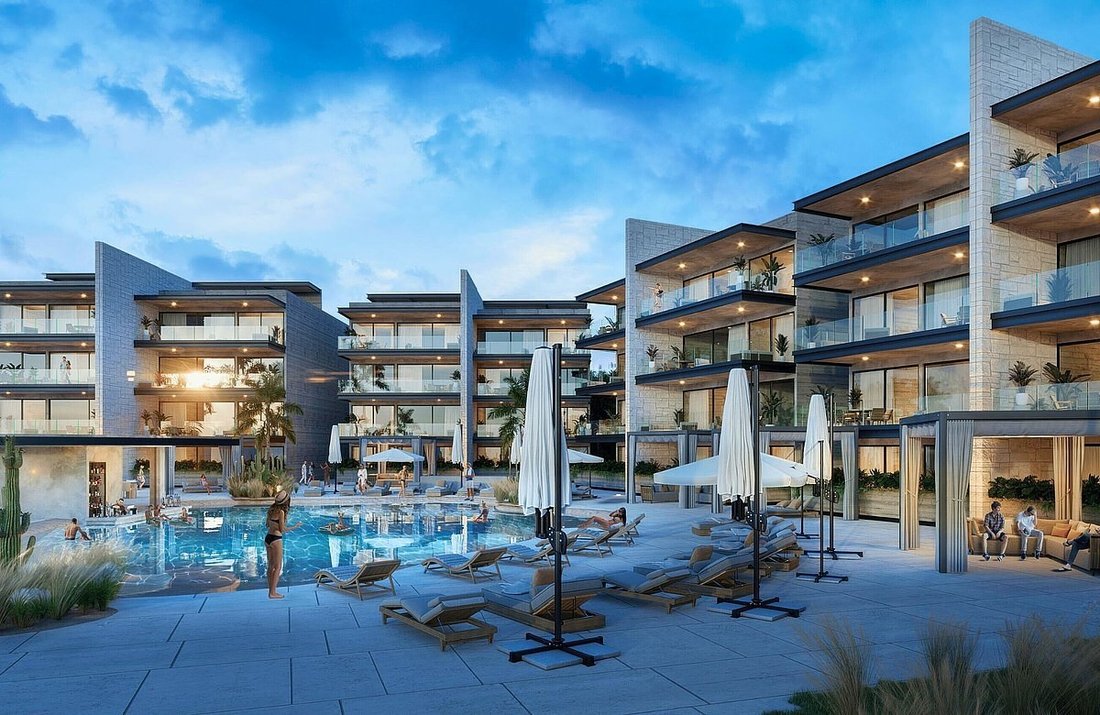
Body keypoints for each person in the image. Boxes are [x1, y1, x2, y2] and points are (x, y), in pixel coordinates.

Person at [265, 490, 302, 599]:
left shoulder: (271, 510)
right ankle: (273, 592)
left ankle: (270, 590)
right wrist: (295, 526)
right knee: (278, 567)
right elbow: (282, 529)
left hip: (268, 538)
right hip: (276, 539)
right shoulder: (281, 512)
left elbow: (268, 524)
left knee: (270, 566)